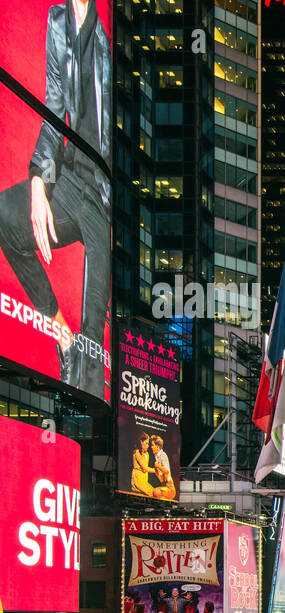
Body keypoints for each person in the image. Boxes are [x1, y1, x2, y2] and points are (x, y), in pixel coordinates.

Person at [0, 0, 112, 400]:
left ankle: (86, 443)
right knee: (6, 218)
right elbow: (52, 101)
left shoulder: (106, 43)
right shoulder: (58, 18)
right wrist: (38, 180)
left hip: (106, 200)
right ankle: (60, 336)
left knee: (94, 338)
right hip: (69, 177)